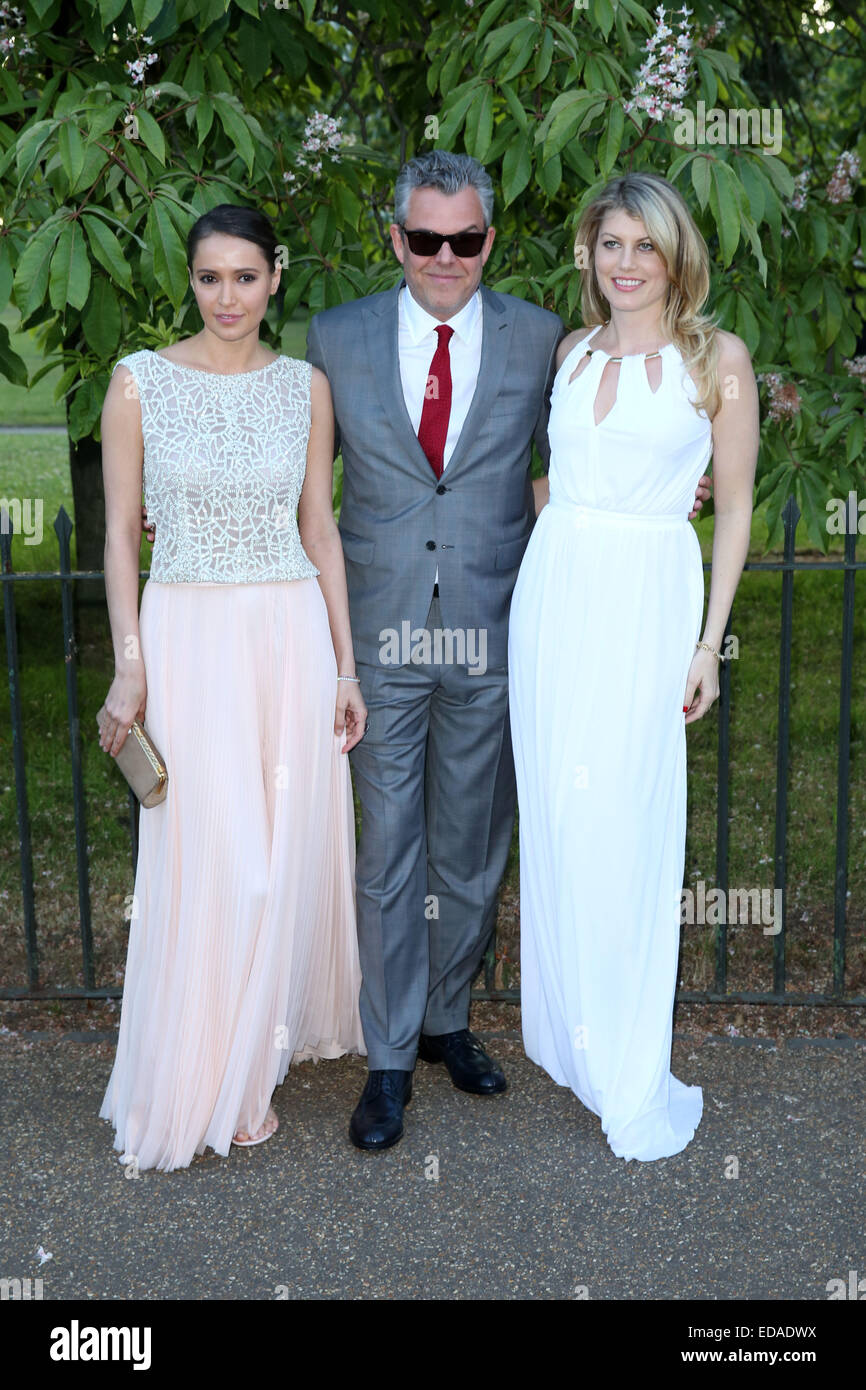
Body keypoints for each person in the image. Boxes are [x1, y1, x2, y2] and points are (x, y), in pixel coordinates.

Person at [305, 151, 714, 1151]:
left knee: (474, 843)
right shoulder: (335, 337)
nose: (444, 257)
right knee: (391, 842)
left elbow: (577, 464)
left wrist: (664, 490)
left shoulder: (544, 342)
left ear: (489, 240)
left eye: (466, 239)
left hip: (503, 629)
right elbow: (311, 494)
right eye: (424, 238)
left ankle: (449, 1019)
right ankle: (391, 1055)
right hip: (384, 631)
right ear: (394, 237)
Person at [98, 204, 366, 1172]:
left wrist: (343, 665)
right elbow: (121, 536)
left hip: (287, 632)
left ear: (276, 277)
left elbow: (320, 529)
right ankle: (207, 1071)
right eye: (210, 277)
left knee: (280, 859)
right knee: (223, 865)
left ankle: (248, 1061)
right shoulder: (138, 383)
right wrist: (132, 661)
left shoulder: (305, 388)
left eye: (245, 277)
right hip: (189, 637)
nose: (226, 297)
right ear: (192, 279)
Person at [507, 171, 759, 1161]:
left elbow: (733, 506)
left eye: (641, 246)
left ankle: (626, 1060)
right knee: (563, 823)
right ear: (590, 255)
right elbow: (560, 480)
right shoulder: (568, 353)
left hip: (649, 605)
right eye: (608, 245)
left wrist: (705, 645)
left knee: (624, 821)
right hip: (555, 599)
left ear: (674, 257)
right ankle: (577, 1039)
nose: (623, 263)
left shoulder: (717, 359)